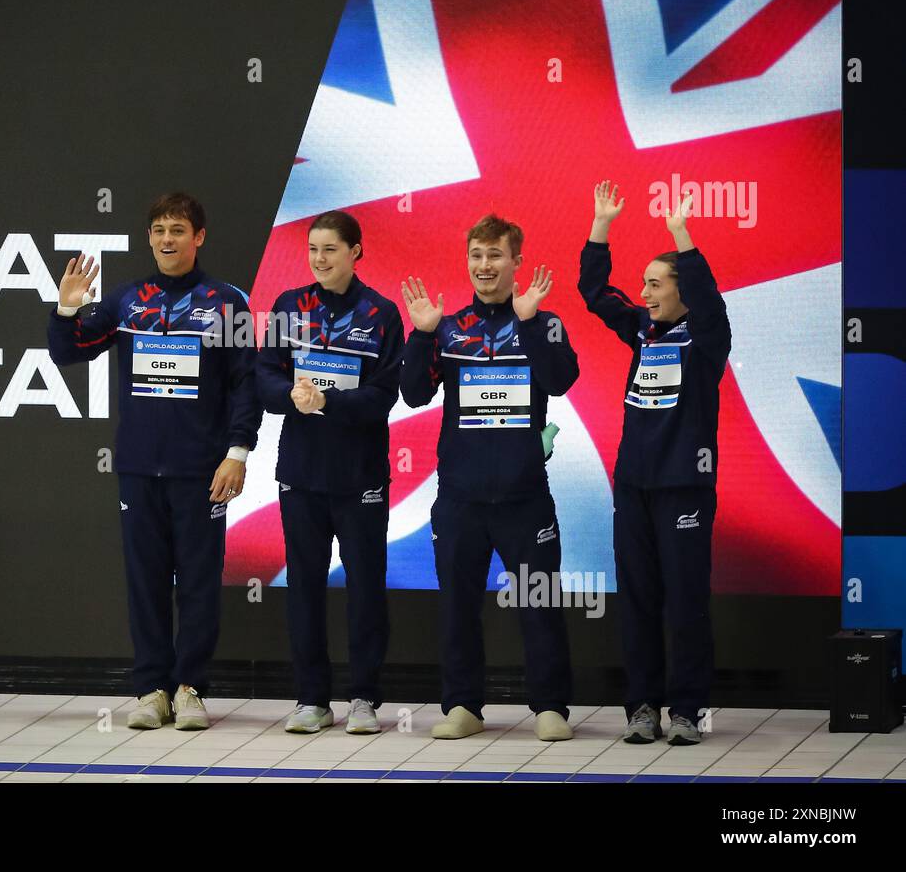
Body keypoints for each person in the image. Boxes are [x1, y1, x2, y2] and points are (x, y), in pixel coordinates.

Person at [48, 193, 260, 731]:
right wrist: (68, 307)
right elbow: (69, 352)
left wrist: (236, 453)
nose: (168, 239)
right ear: (149, 239)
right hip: (140, 468)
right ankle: (151, 689)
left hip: (202, 469)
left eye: (179, 230)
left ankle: (190, 688)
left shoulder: (226, 302)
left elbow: (244, 385)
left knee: (197, 582)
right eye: (159, 230)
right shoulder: (125, 300)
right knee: (144, 581)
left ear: (199, 237)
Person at [400, 215, 577, 742]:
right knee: (458, 607)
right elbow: (412, 393)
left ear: (516, 262)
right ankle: (462, 706)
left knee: (539, 603)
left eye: (495, 255)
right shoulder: (449, 327)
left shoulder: (542, 323)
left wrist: (527, 322)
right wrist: (422, 333)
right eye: (476, 255)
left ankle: (550, 707)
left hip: (526, 499)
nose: (484, 266)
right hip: (460, 498)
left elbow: (561, 381)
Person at [579, 182, 730, 746]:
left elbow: (709, 299)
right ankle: (643, 707)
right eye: (643, 283)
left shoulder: (708, 337)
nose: (643, 293)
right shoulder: (643, 330)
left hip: (684, 485)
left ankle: (687, 711)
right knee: (639, 598)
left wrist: (681, 236)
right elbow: (595, 291)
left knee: (685, 601)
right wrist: (601, 225)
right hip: (635, 486)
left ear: (682, 289)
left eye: (655, 284)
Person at [256, 210, 401, 735]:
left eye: (330, 249)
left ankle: (363, 696)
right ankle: (312, 699)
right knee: (305, 589)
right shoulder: (287, 306)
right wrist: (290, 396)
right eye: (313, 249)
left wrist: (330, 400)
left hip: (360, 477)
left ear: (355, 251)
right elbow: (264, 375)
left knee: (365, 588)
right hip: (300, 475)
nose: (319, 258)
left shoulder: (382, 313)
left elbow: (386, 395)